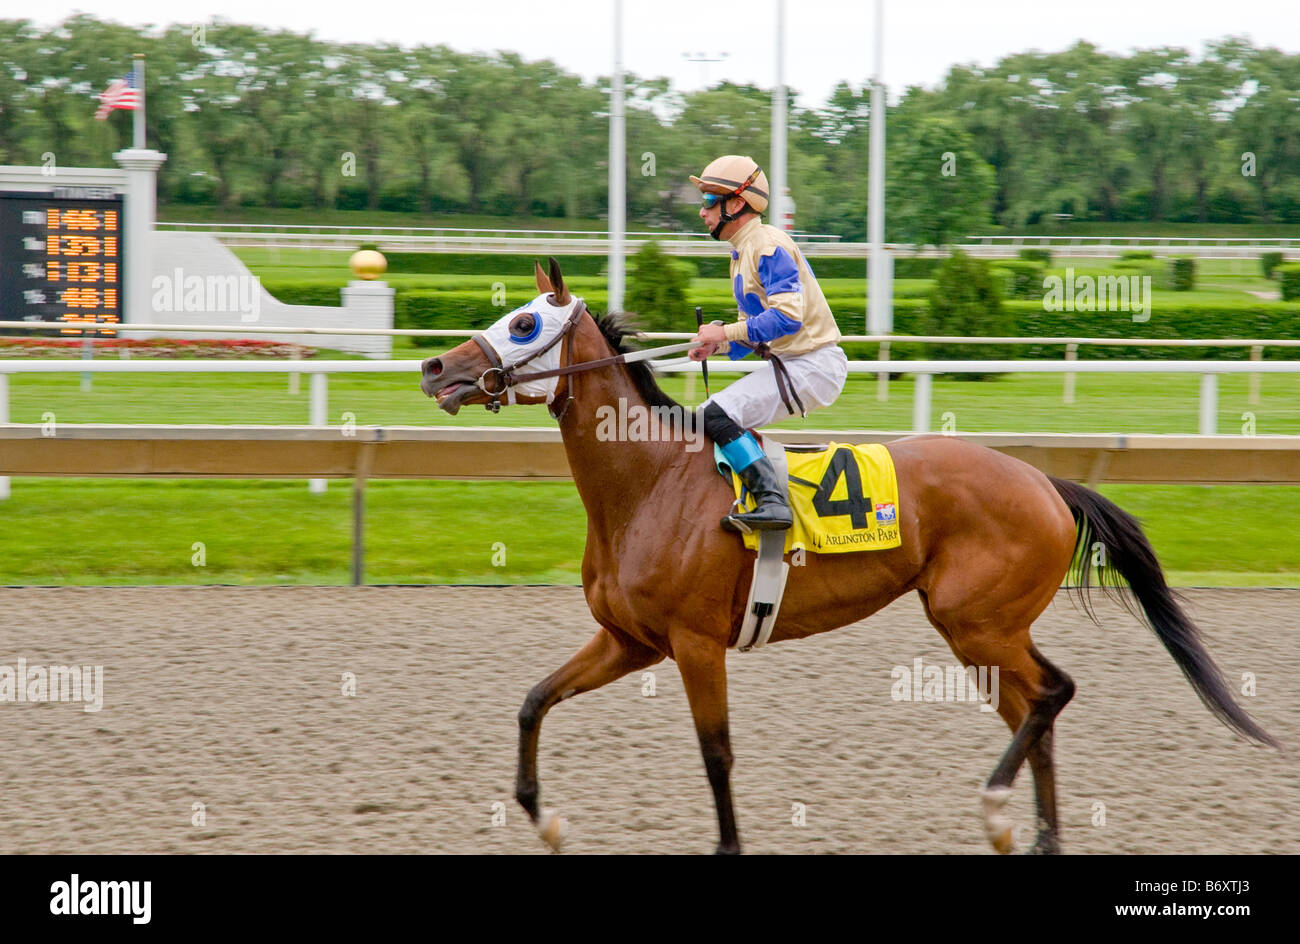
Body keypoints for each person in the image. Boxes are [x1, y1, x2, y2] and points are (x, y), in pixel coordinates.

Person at [689, 154, 848, 532]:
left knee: (714, 415)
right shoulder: (744, 250)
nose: (702, 211)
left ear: (737, 203)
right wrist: (720, 345)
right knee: (707, 415)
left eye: (710, 200)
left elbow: (787, 318)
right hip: (797, 363)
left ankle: (772, 503)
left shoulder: (767, 246)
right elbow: (756, 332)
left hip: (814, 366)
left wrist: (723, 332)